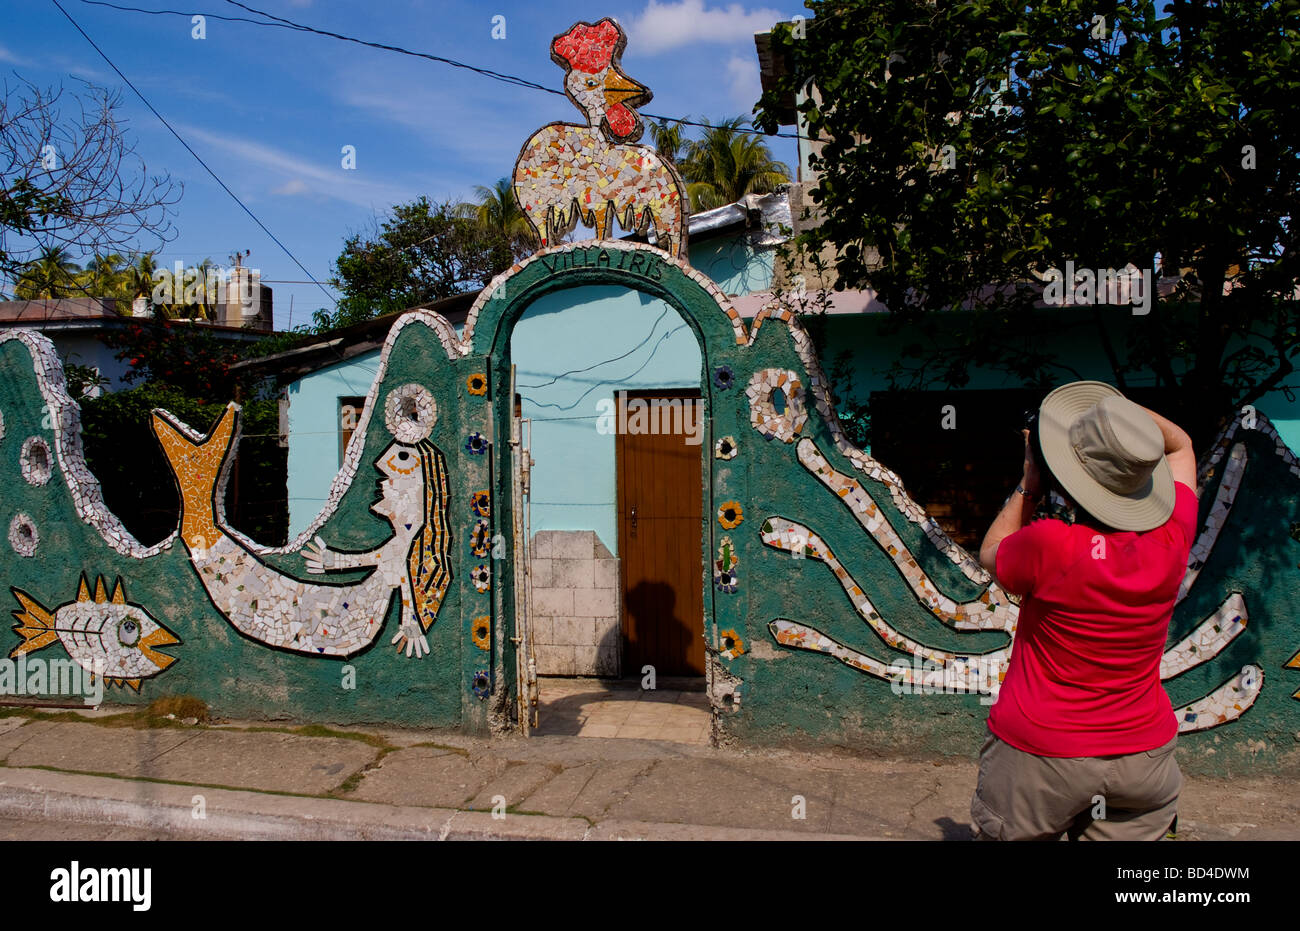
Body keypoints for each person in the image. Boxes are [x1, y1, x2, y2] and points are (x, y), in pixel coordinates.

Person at [970, 380, 1199, 841]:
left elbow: (992, 552)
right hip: (1144, 759)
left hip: (1041, 755)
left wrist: (1029, 483)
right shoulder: (1175, 536)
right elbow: (1181, 446)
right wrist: (1121, 424)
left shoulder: (1049, 544)